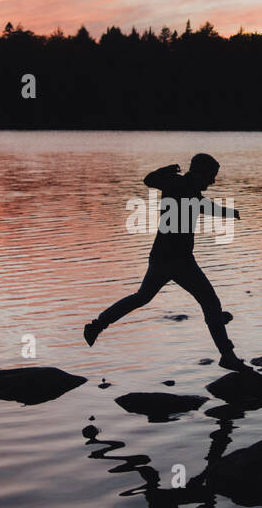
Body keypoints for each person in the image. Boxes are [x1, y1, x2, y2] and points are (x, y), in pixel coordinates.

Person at [85, 153, 248, 370]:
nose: (213, 181)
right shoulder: (176, 183)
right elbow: (149, 179)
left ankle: (97, 326)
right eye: (211, 176)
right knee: (210, 302)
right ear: (200, 172)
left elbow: (203, 206)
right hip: (178, 261)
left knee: (142, 297)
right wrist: (167, 170)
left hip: (164, 257)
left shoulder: (189, 189)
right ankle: (227, 355)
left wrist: (229, 213)